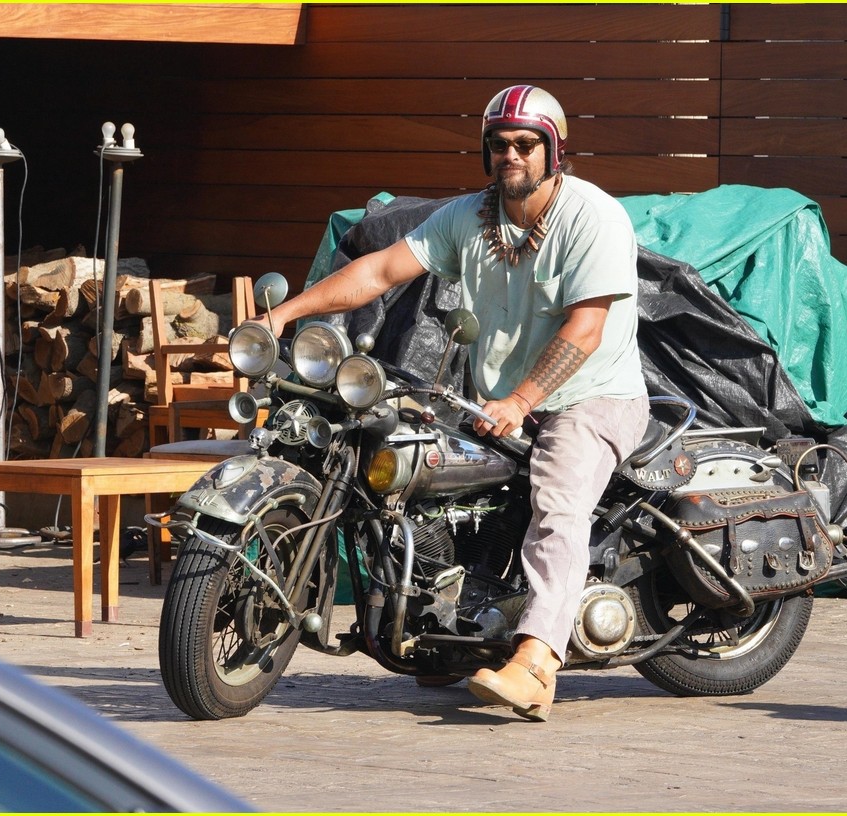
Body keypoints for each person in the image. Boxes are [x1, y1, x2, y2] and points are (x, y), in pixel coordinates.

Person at [261, 85, 648, 722]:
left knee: (557, 501)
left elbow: (585, 327)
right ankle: (451, 630)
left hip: (592, 397)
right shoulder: (468, 217)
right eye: (498, 145)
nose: (511, 156)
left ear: (554, 150)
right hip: (499, 398)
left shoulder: (594, 217)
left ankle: (538, 662)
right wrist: (287, 314)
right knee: (420, 472)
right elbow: (380, 271)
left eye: (526, 144)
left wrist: (522, 399)